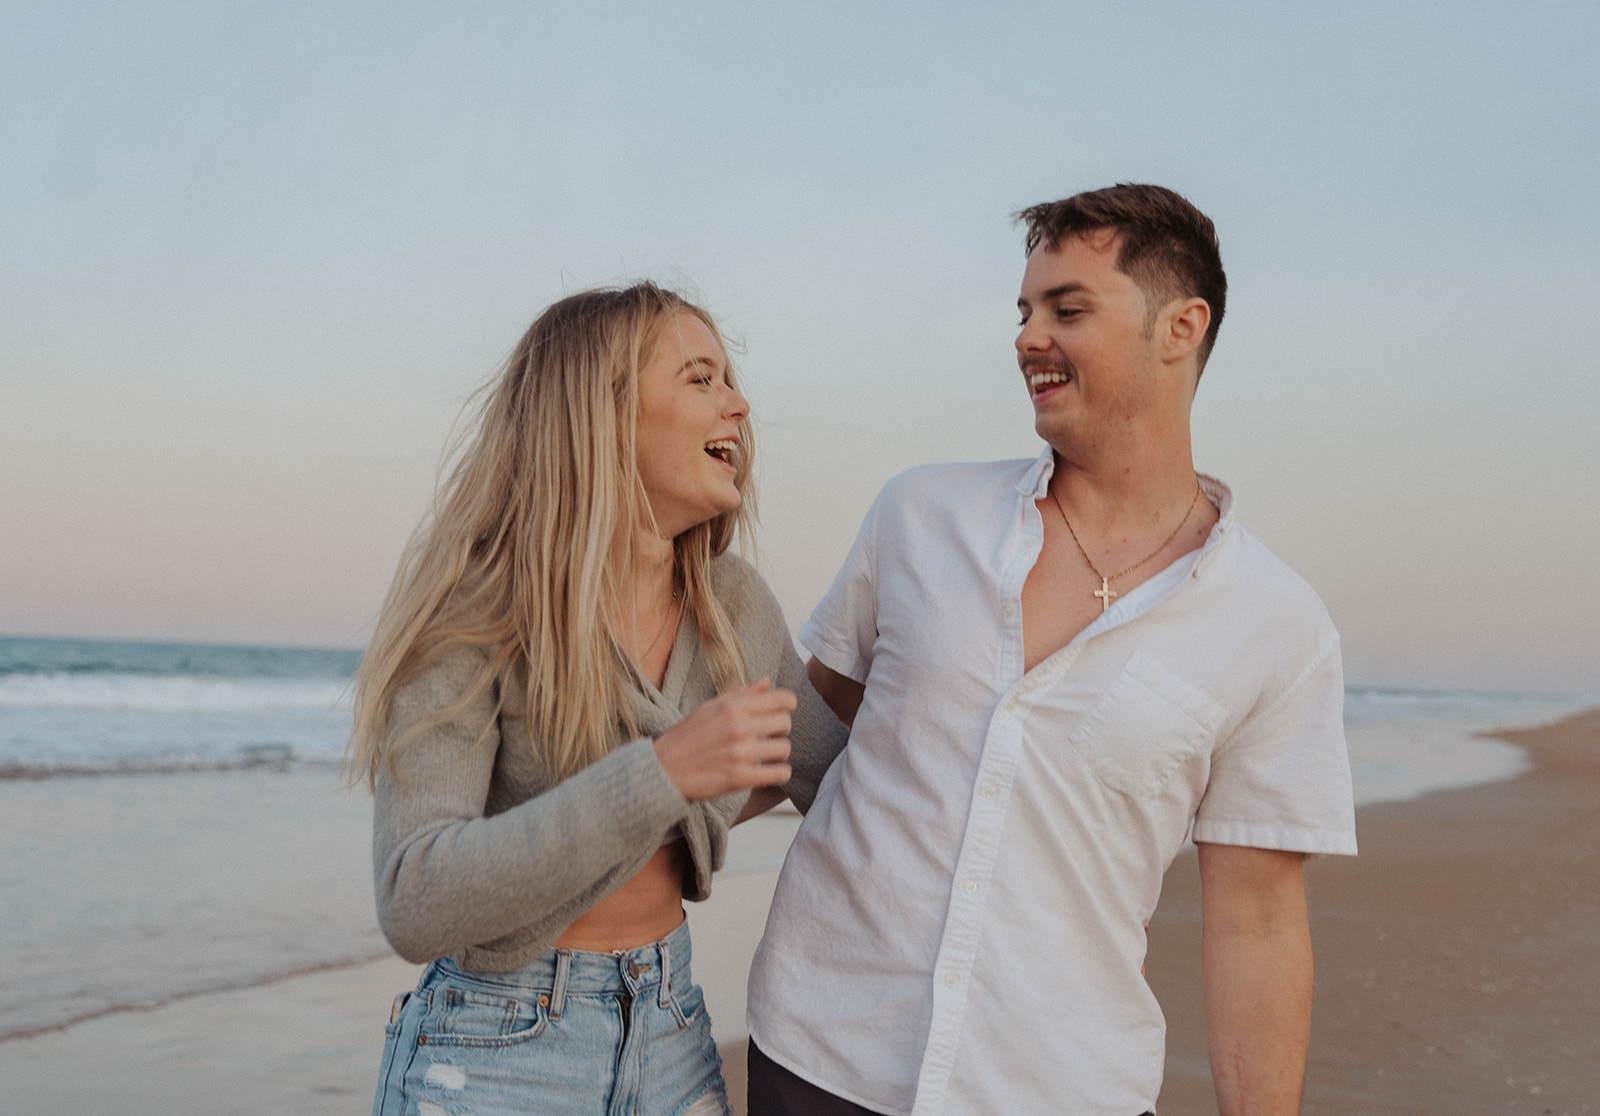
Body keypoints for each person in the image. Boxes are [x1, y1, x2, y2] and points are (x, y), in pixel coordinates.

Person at [745, 185, 1358, 1116]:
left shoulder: (1276, 623)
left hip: (1060, 1085)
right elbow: (797, 743)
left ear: (1182, 327)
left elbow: (1258, 925)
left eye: (1067, 310)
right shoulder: (920, 515)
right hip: (821, 1054)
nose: (1028, 338)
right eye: (1024, 311)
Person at [347, 282, 846, 1116]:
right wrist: (663, 775)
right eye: (701, 379)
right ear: (603, 414)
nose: (738, 405)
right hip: (495, 1047)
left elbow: (844, 784)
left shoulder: (734, 607)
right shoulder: (477, 613)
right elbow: (414, 897)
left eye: (729, 380)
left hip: (670, 1026)